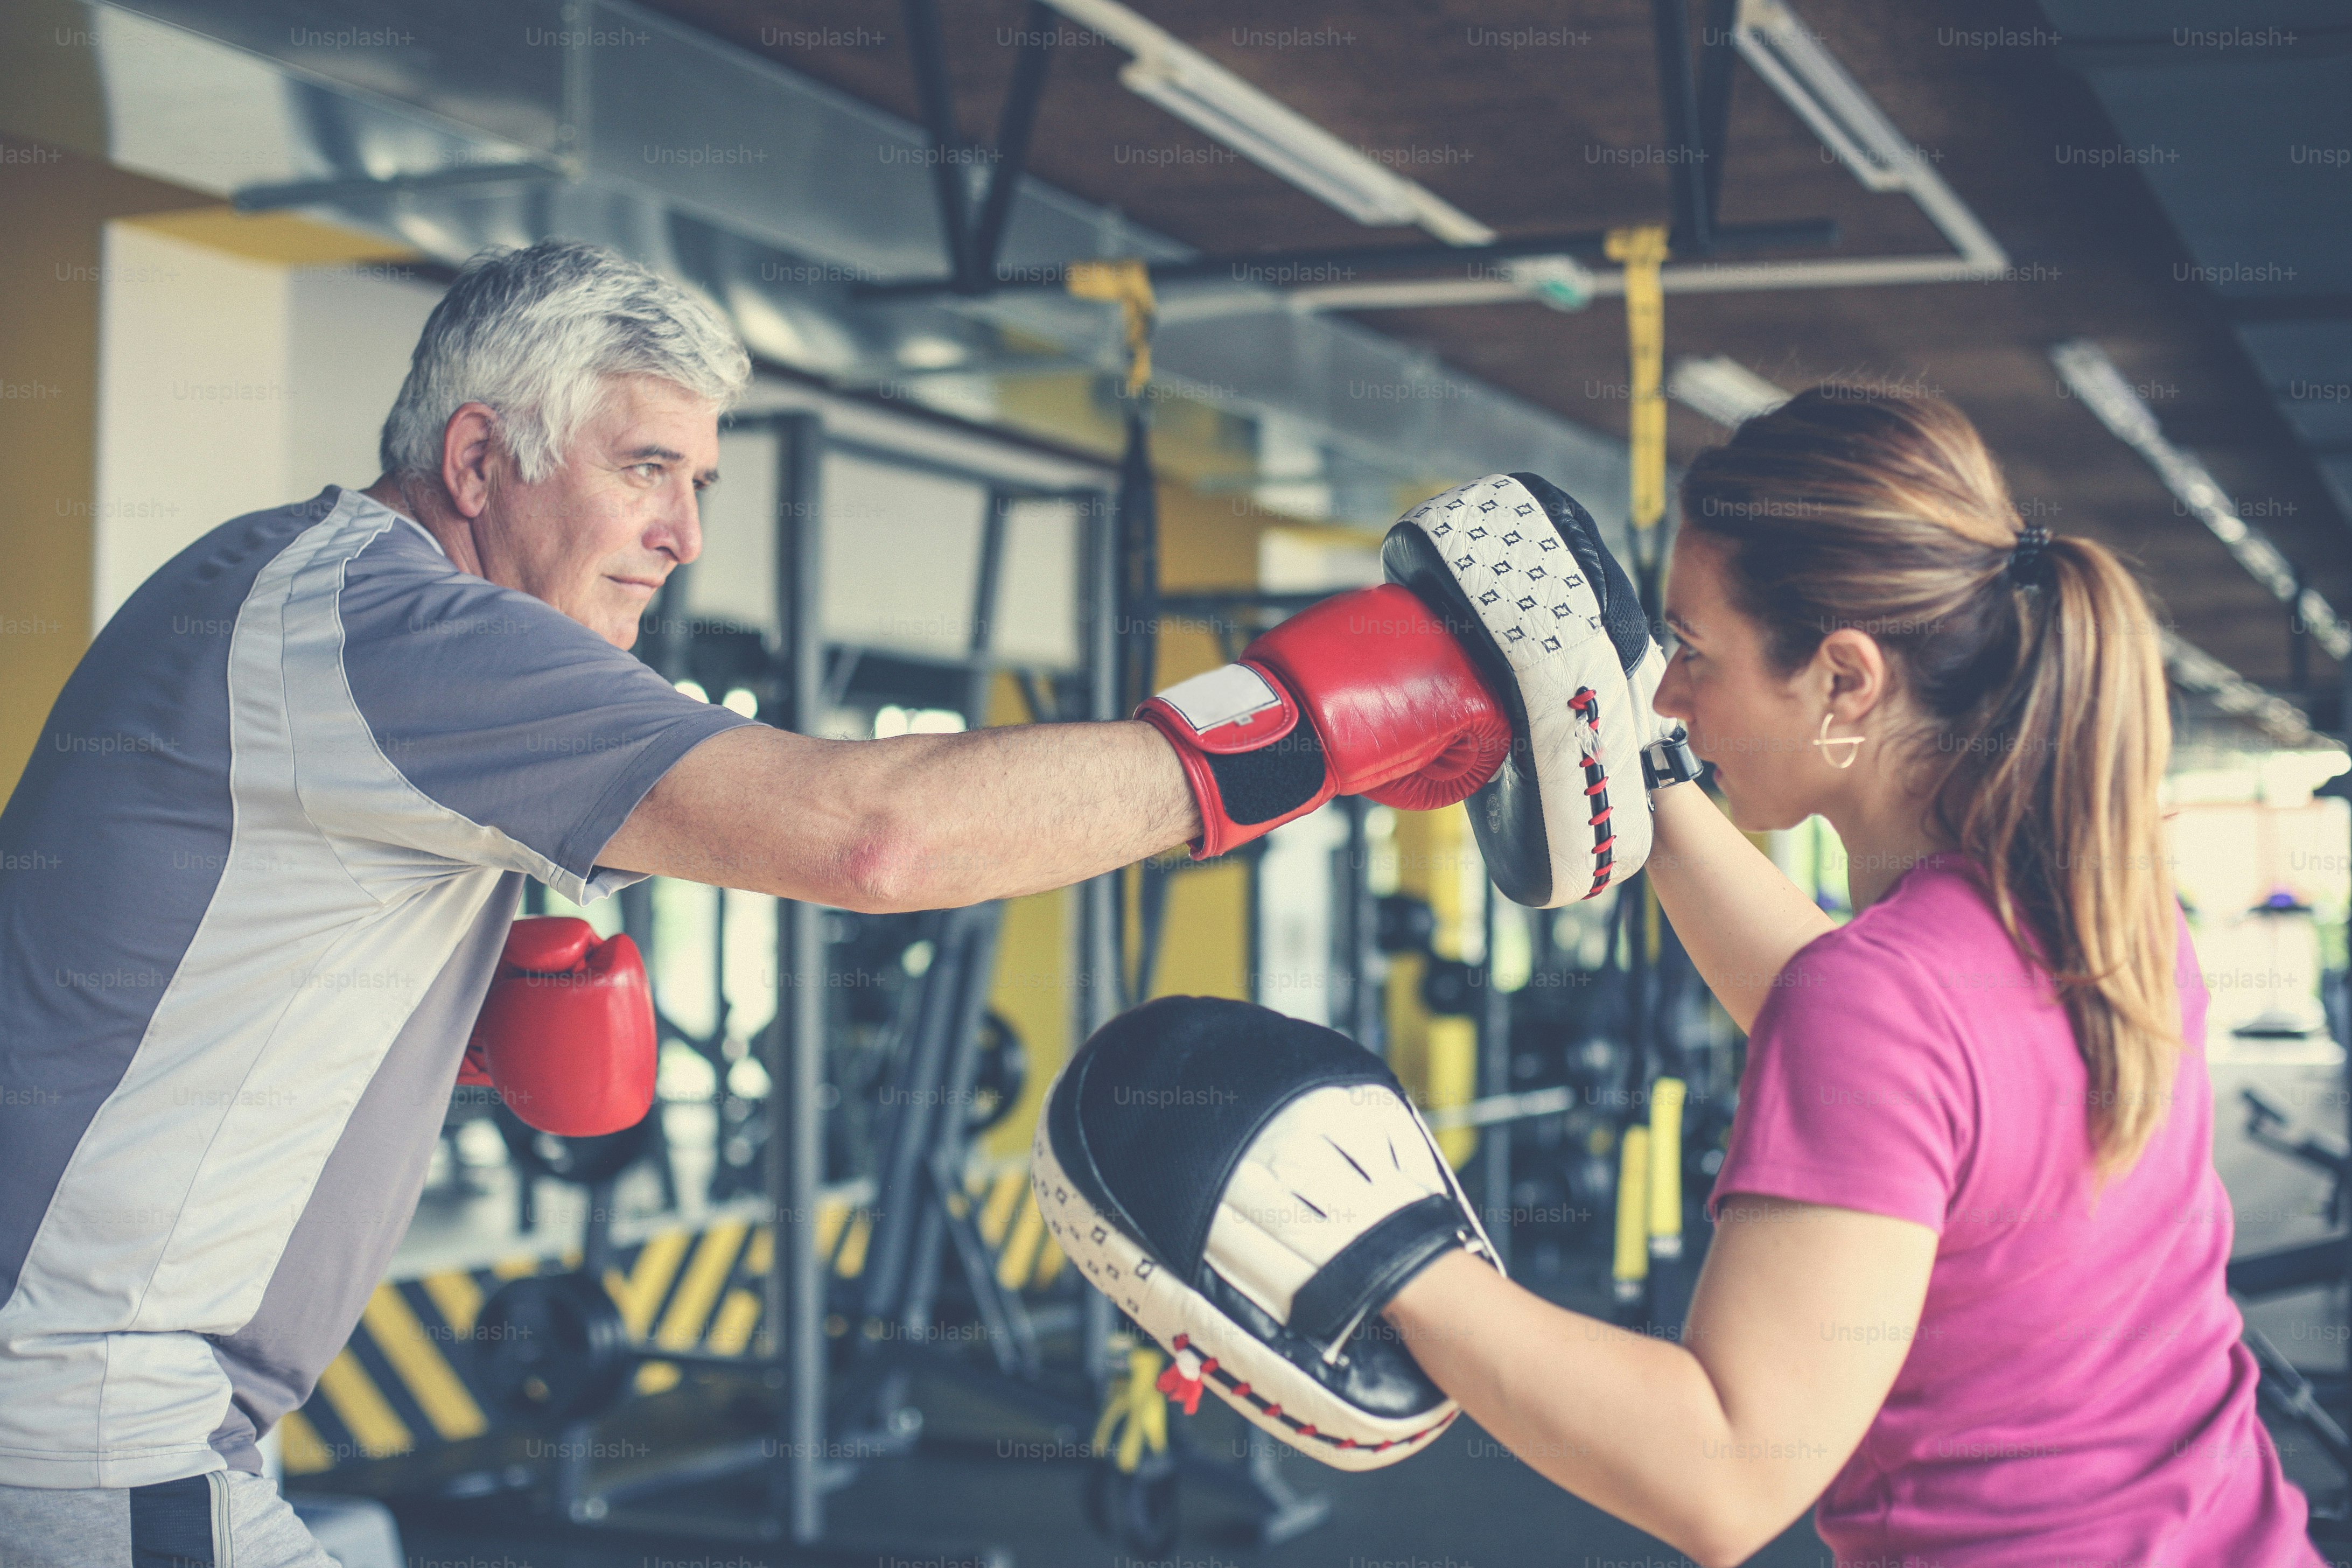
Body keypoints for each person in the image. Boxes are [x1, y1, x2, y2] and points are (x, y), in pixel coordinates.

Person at [0, 238, 1510, 1565]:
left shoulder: (293, 586)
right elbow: (875, 843)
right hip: (96, 1404)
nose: (686, 533)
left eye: (698, 482)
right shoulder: (400, 627)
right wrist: (1305, 719)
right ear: (477, 466)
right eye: (644, 470)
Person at [1370, 388, 2321, 1563]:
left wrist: (1396, 1263)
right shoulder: (2106, 917)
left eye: (1693, 656)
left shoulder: (1883, 998)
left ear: (1843, 680)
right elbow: (1891, 1064)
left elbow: (1722, 1476)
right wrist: (1645, 767)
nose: (1670, 691)